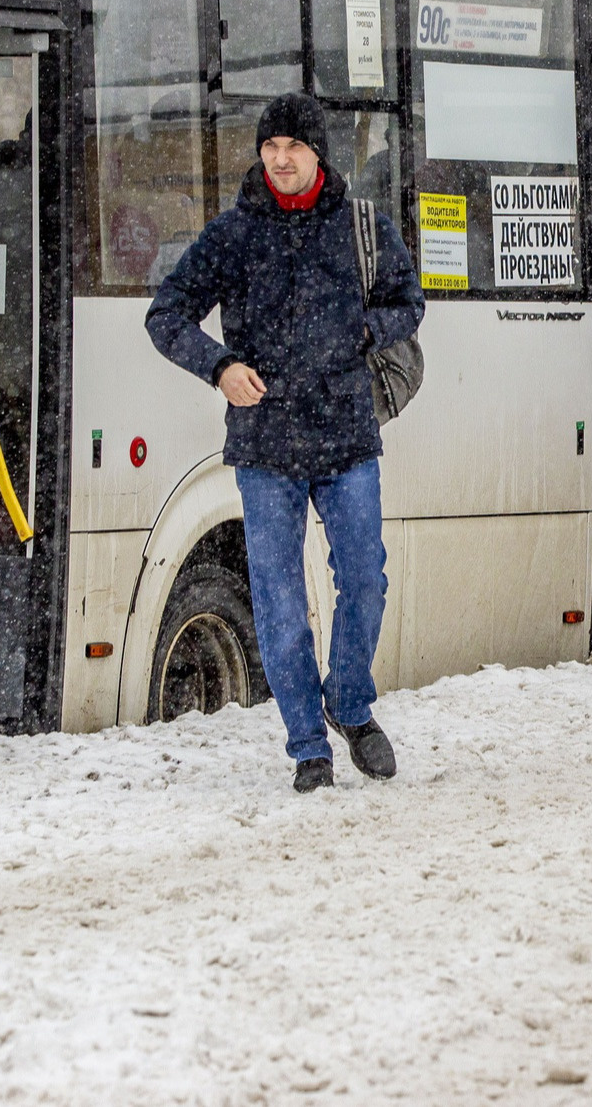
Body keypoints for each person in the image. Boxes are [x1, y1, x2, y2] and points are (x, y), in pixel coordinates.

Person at [146, 92, 424, 792]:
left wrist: (365, 333)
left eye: (293, 148)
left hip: (346, 434)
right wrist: (219, 366)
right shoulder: (233, 235)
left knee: (364, 579)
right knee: (276, 599)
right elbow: (166, 314)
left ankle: (351, 706)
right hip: (265, 444)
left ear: (318, 154)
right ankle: (308, 746)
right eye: (270, 147)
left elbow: (407, 303)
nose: (280, 159)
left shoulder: (362, 226)